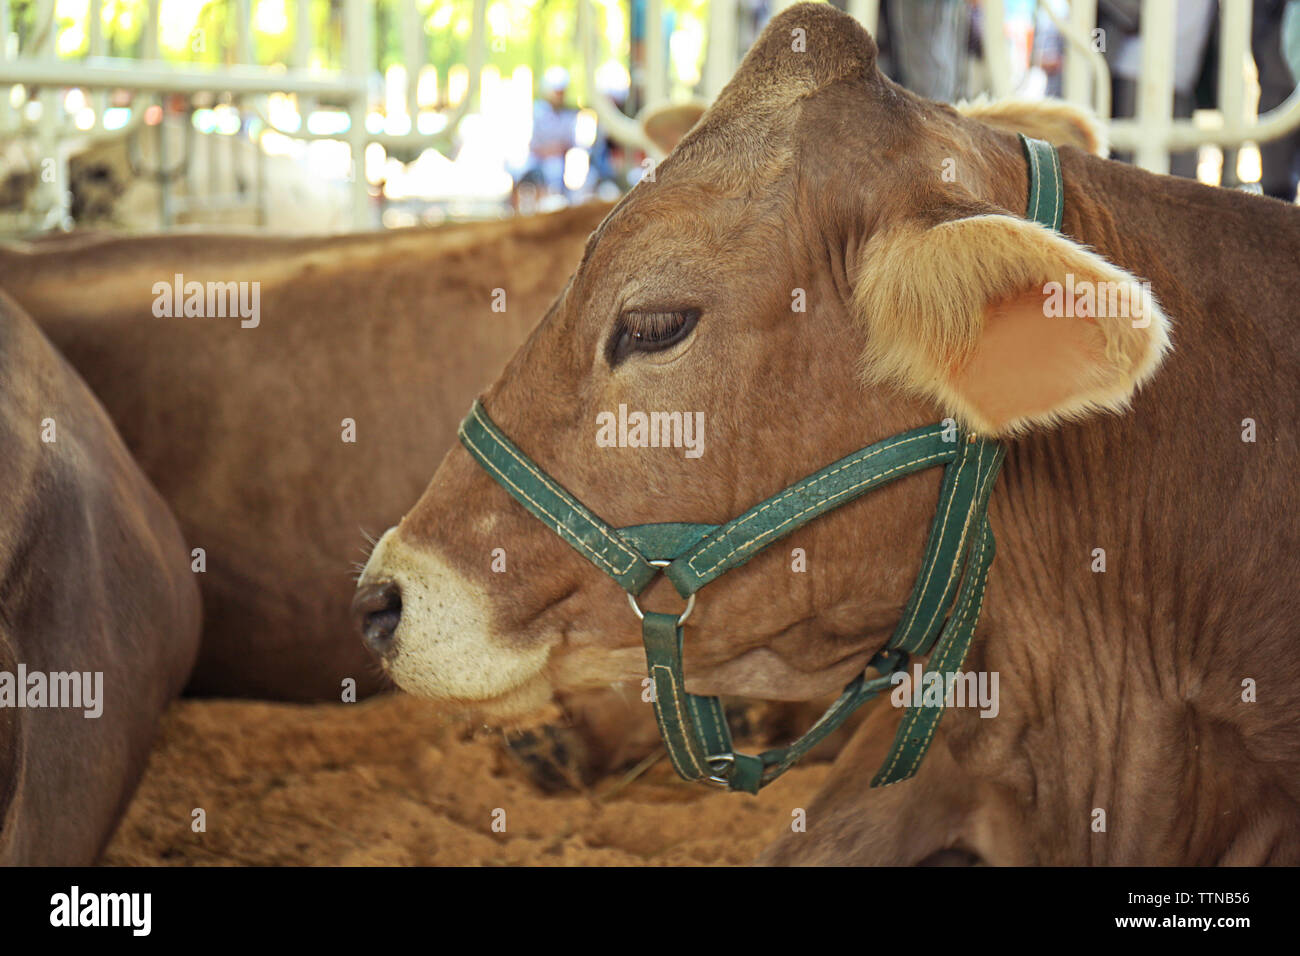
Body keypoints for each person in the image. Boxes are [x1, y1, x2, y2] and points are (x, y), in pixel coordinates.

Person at [516, 66, 579, 204]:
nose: (559, 96)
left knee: (555, 171)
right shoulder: (538, 111)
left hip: (557, 163)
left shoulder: (569, 115)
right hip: (535, 159)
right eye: (556, 92)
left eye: (561, 92)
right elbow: (532, 144)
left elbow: (569, 144)